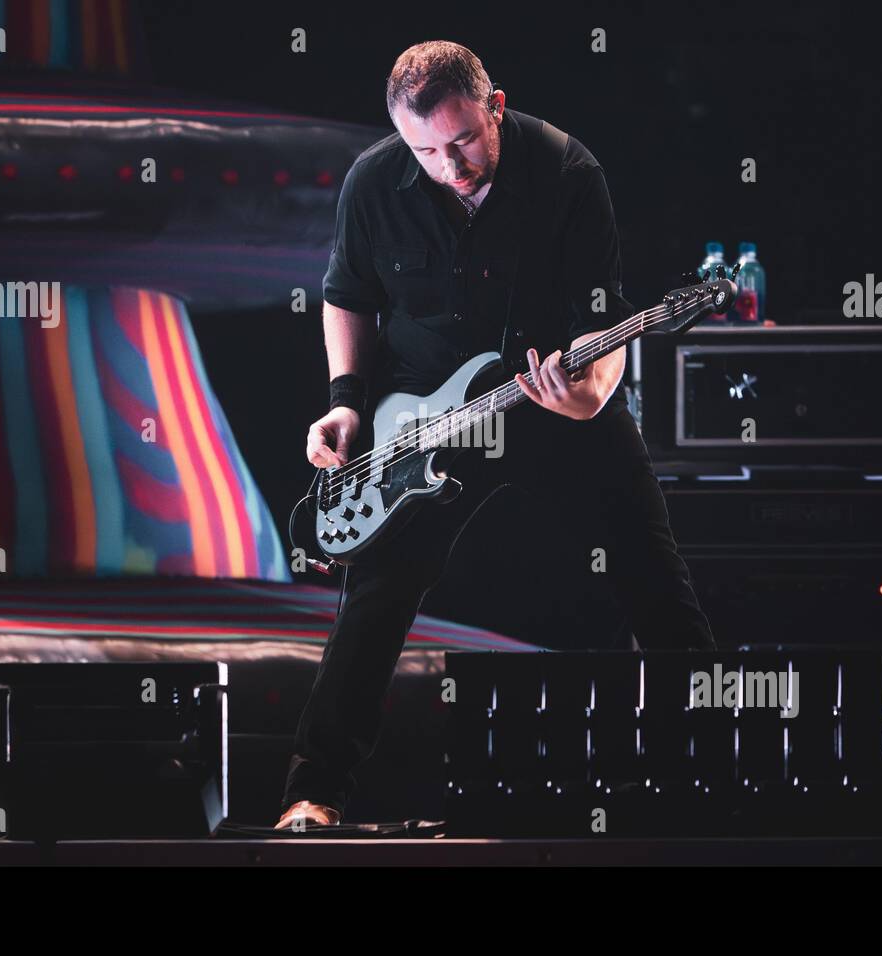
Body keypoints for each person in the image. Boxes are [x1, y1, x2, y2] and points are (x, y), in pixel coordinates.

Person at [276, 41, 715, 830]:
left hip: (548, 398)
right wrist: (344, 400)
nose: (449, 166)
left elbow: (605, 324)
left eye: (464, 142)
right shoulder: (374, 179)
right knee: (375, 596)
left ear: (496, 106)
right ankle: (314, 796)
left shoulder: (568, 172)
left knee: (652, 571)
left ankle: (720, 779)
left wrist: (589, 397)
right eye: (426, 151)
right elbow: (345, 294)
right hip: (421, 418)